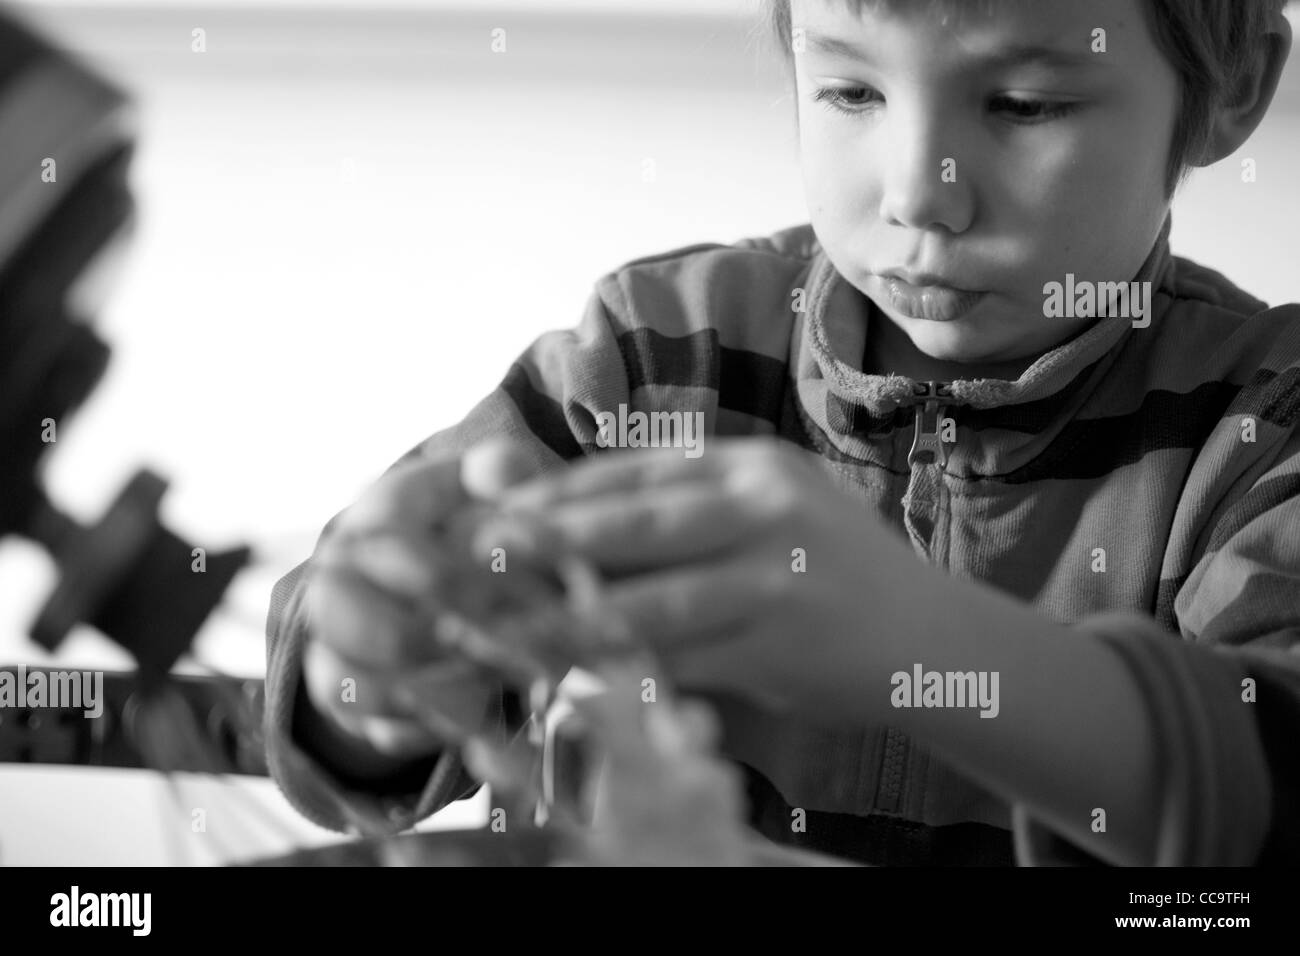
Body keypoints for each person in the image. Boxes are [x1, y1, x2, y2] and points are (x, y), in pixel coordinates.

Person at [265, 0, 1300, 865]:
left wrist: (918, 638)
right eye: (852, 89)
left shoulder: (1263, 422)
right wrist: (374, 677)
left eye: (1024, 104)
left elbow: (1270, 774)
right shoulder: (656, 353)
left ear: (1234, 88)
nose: (915, 194)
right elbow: (345, 708)